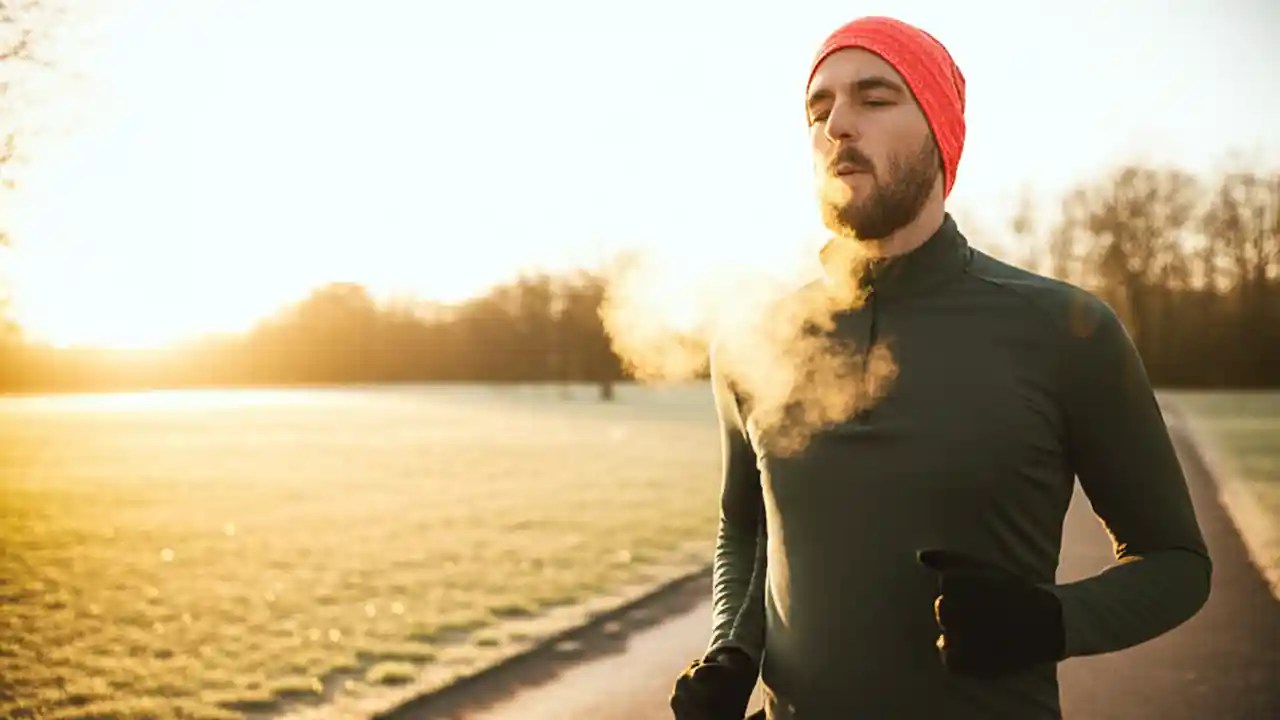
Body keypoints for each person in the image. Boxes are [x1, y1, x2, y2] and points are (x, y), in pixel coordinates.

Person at [669, 15, 1212, 720]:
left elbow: (1176, 563)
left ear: (940, 132)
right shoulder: (754, 337)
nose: (837, 125)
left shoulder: (1063, 330)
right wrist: (731, 652)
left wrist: (1050, 621)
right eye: (818, 108)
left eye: (874, 98)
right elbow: (745, 531)